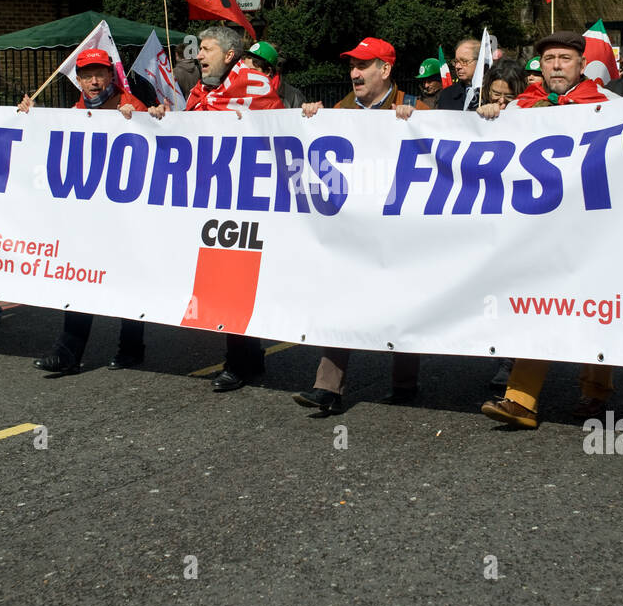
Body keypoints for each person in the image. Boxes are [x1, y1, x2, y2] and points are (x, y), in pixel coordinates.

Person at [475, 31, 619, 428]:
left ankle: (595, 393)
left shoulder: (608, 104)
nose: (557, 65)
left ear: (580, 64)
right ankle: (520, 400)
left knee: (593, 310)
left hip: (592, 230)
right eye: (551, 58)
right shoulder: (523, 107)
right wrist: (490, 115)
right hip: (540, 231)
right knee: (538, 306)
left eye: (565, 59)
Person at [294, 37, 425, 414]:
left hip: (400, 227)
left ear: (385, 71)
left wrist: (415, 123)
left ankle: (404, 383)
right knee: (342, 298)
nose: (354, 73)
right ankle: (327, 388)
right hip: (354, 227)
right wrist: (312, 118)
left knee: (402, 303)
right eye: (352, 65)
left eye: (363, 65)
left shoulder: (417, 108)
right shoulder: (340, 109)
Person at [150, 25, 278, 391]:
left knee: (232, 278)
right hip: (213, 198)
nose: (198, 57)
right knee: (223, 277)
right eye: (199, 50)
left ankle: (238, 362)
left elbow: (281, 124)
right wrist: (163, 116)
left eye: (206, 50)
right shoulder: (203, 91)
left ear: (229, 54)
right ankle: (249, 358)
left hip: (246, 201)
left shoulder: (252, 85)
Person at [17, 48, 149, 374]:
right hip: (89, 217)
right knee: (80, 280)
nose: (93, 80)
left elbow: (164, 134)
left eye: (100, 73)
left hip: (127, 217)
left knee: (126, 281)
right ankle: (67, 353)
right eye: (87, 74)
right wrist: (31, 117)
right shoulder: (75, 111)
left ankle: (132, 348)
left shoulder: (131, 107)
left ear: (111, 76)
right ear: (77, 80)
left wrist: (147, 117)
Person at [243, 40, 304, 109]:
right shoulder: (238, 91)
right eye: (245, 70)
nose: (248, 75)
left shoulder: (293, 96)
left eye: (253, 71)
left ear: (268, 71)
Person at [437, 37, 482, 110]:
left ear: (479, 61)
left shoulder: (492, 94)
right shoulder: (447, 95)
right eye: (456, 61)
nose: (457, 66)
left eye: (464, 61)